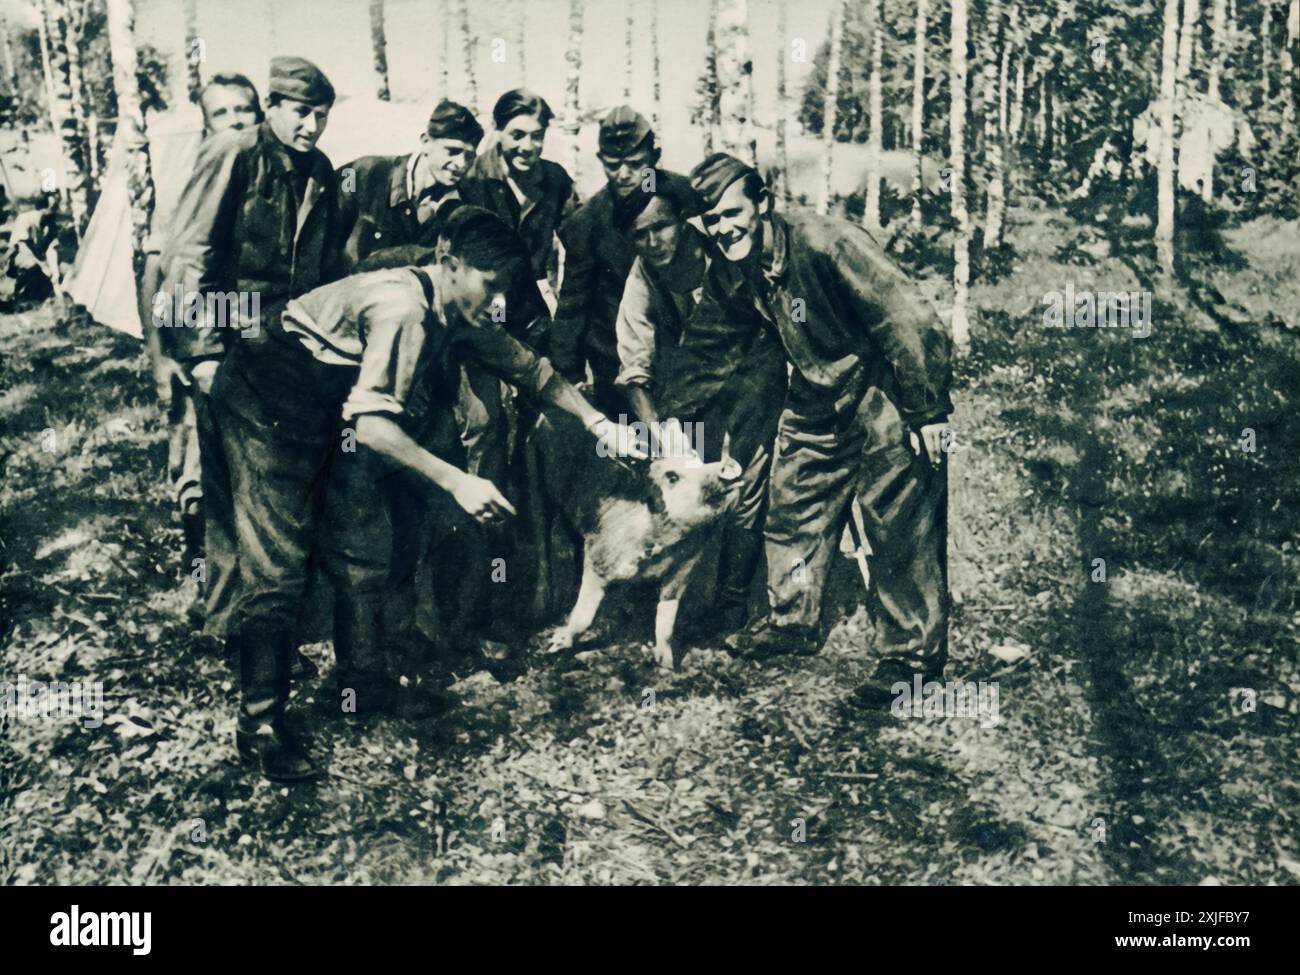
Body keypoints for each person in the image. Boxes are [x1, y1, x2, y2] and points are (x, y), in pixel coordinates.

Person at [211, 207, 642, 782]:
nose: (496, 300)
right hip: (266, 402)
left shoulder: (457, 307)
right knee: (279, 562)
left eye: (504, 289)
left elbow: (530, 369)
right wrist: (457, 480)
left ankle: (361, 684)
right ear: (449, 263)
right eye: (489, 284)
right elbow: (372, 428)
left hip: (333, 411)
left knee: (363, 547)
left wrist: (597, 424)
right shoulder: (404, 311)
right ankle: (260, 724)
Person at [682, 154, 953, 705]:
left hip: (883, 388)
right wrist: (668, 424)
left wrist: (926, 411)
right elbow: (706, 348)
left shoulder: (827, 243)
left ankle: (911, 659)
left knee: (897, 521)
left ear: (762, 203)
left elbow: (907, 316)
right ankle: (791, 622)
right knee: (793, 505)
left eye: (733, 213)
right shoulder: (731, 267)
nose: (725, 228)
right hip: (815, 390)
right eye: (713, 221)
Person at [158, 56, 341, 650]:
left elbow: (326, 271)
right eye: (300, 113)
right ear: (274, 108)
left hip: (289, 354)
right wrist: (204, 354)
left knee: (263, 492)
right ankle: (230, 625)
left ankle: (245, 620)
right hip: (230, 348)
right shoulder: (234, 153)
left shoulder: (322, 173)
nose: (311, 127)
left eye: (321, 116)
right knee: (233, 492)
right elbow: (189, 258)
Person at [616, 189, 787, 635]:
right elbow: (635, 369)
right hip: (692, 390)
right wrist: (663, 439)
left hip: (753, 375)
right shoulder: (643, 280)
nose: (654, 242)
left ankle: (733, 601)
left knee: (745, 482)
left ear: (685, 222)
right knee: (689, 487)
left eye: (662, 227)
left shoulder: (724, 250)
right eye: (641, 235)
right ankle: (670, 594)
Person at [141, 73, 261, 601]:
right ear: (205, 123)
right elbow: (155, 277)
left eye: (245, 110)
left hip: (244, 340)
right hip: (192, 340)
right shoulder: (184, 187)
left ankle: (237, 589)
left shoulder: (267, 182)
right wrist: (160, 357)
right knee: (194, 469)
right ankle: (198, 579)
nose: (236, 121)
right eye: (223, 113)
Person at [549, 106, 695, 418]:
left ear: (654, 158)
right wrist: (568, 376)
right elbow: (572, 306)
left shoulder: (687, 196)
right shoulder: (586, 223)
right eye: (614, 165)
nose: (624, 174)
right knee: (635, 454)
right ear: (601, 161)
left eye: (635, 163)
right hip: (615, 364)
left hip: (687, 355)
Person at [466, 88, 580, 316]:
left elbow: (581, 235)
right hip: (481, 298)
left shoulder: (555, 179)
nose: (527, 147)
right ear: (497, 130)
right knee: (497, 341)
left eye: (537, 136)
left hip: (531, 297)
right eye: (517, 135)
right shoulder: (472, 179)